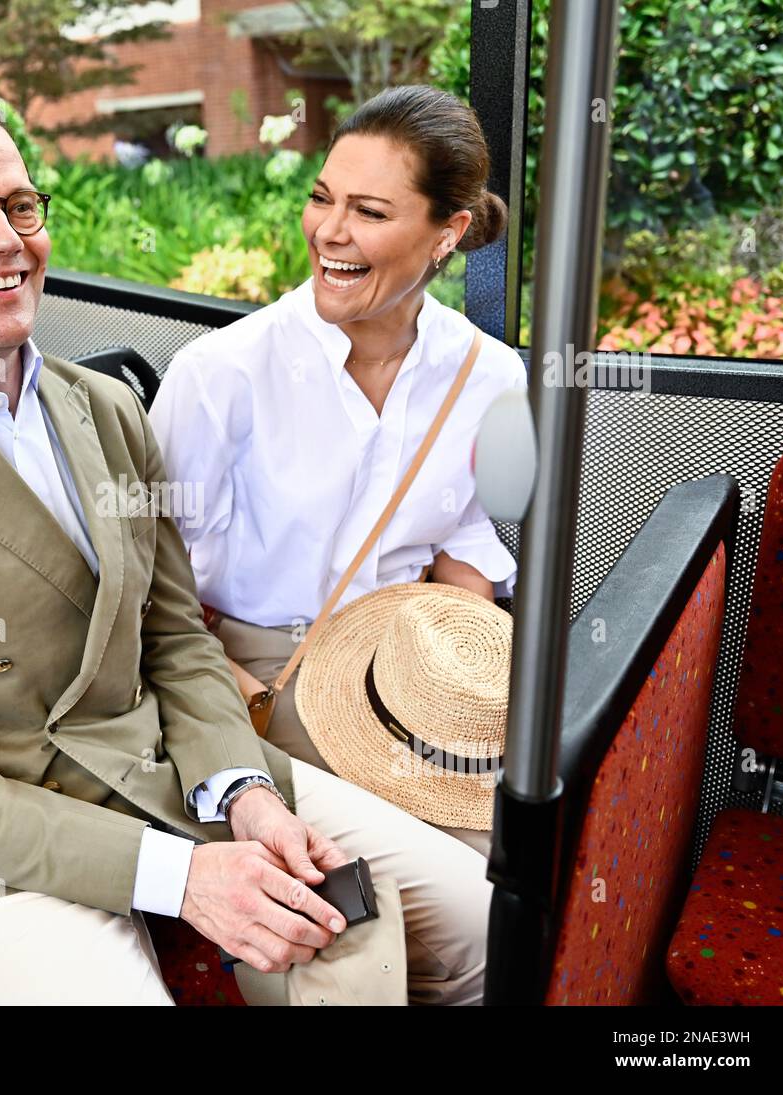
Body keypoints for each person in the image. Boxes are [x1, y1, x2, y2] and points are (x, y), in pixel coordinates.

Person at [0, 89, 492, 1005]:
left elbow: (176, 636)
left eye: (21, 206)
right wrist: (182, 877)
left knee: (473, 917)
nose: (3, 238)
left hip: (167, 760)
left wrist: (243, 792)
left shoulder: (103, 410)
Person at [148, 85, 527, 846]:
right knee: (368, 883)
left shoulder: (495, 376)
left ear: (447, 233)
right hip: (243, 662)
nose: (330, 232)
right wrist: (245, 700)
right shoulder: (221, 373)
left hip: (406, 657)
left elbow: (471, 538)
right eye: (323, 198)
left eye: (372, 212)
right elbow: (148, 585)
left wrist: (464, 682)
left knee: (506, 856)